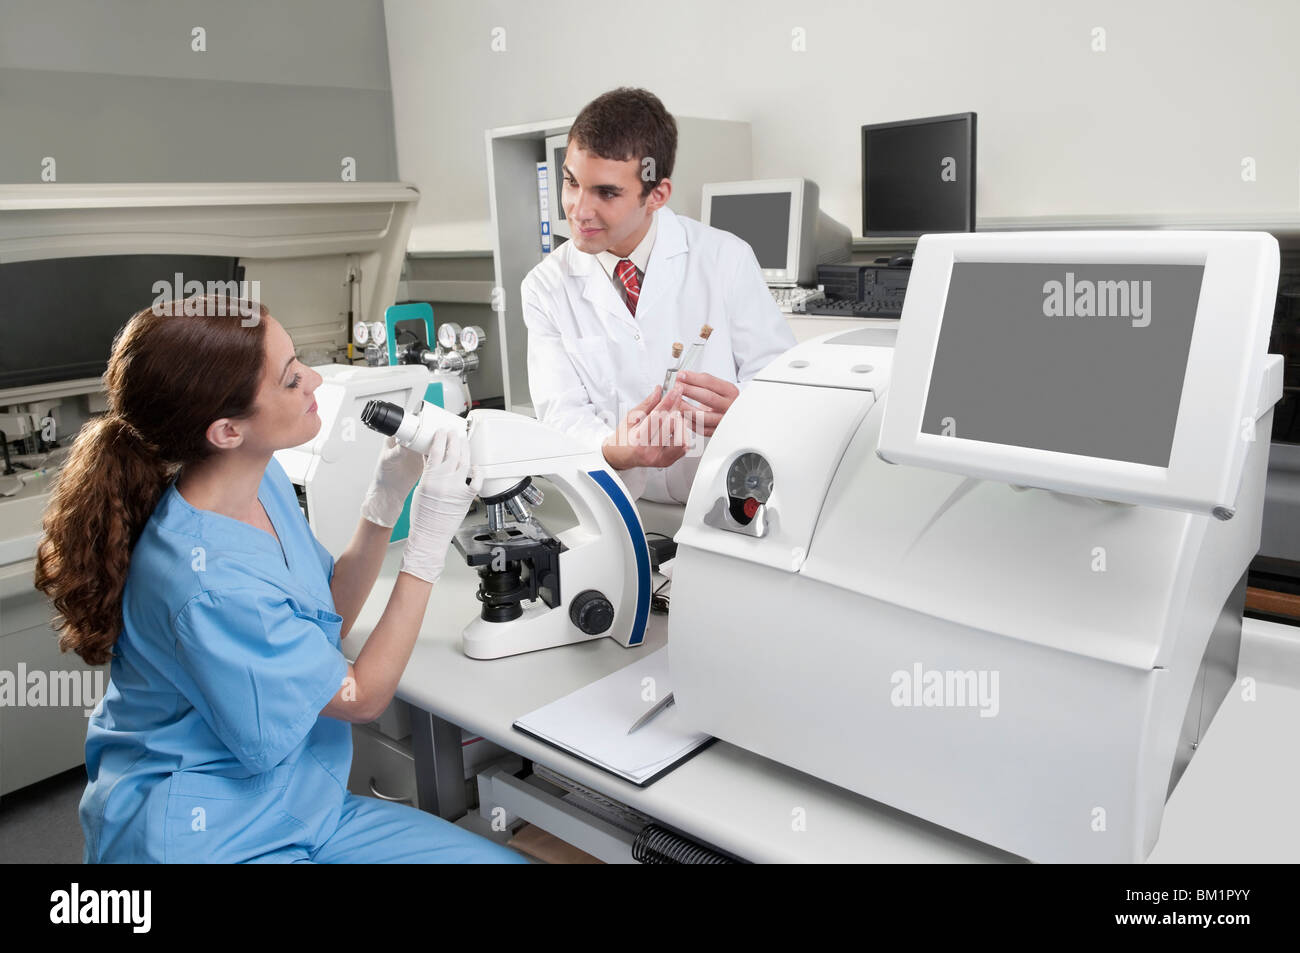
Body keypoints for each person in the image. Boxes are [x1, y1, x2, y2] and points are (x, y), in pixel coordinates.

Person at [34, 295, 526, 864]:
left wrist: (385, 503)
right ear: (225, 430)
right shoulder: (206, 581)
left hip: (301, 803)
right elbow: (360, 698)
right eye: (292, 379)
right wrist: (430, 539)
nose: (314, 380)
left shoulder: (257, 482)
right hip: (203, 836)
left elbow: (328, 607)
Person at [522, 87, 797, 503]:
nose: (578, 209)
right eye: (571, 182)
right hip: (618, 502)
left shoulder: (726, 259)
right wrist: (619, 449)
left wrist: (744, 408)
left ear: (657, 195)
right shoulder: (545, 287)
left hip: (722, 498)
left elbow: (783, 383)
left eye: (606, 192)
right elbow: (560, 414)